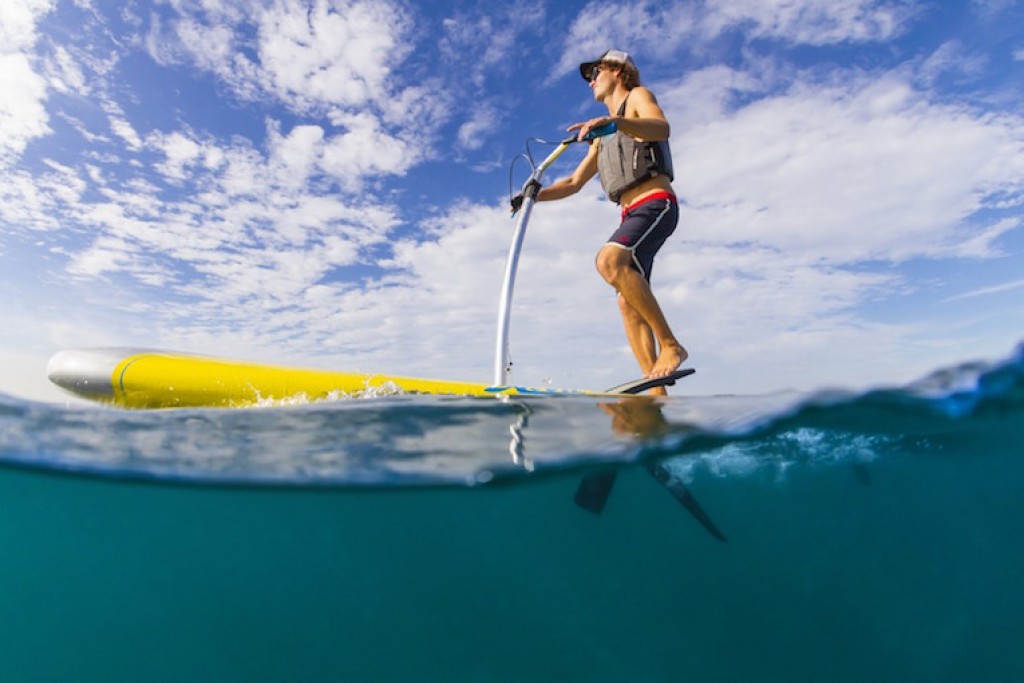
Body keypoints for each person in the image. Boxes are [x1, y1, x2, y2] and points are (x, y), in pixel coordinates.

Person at [534, 49, 687, 393]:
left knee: (609, 260)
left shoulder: (637, 98)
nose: (590, 80)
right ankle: (656, 389)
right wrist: (533, 196)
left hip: (655, 204)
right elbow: (573, 184)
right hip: (630, 212)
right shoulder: (601, 134)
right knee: (626, 299)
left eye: (595, 72)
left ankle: (671, 345)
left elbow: (661, 128)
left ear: (618, 71)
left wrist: (617, 122)